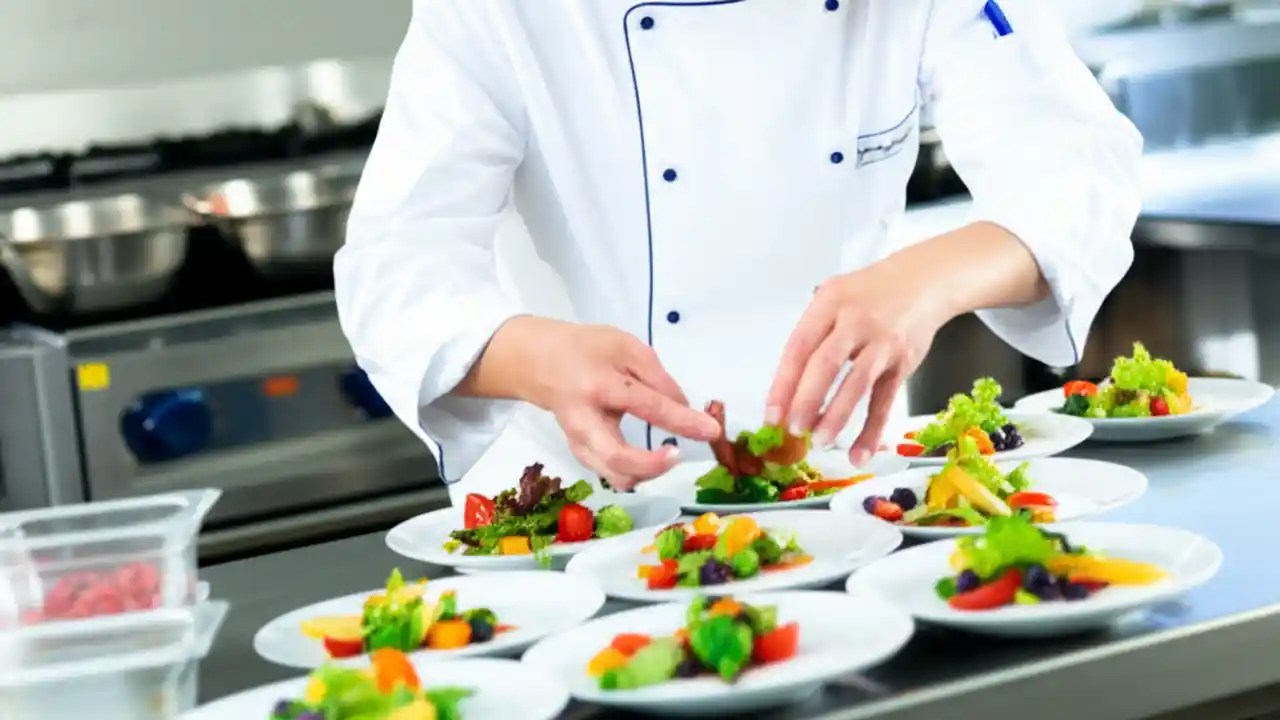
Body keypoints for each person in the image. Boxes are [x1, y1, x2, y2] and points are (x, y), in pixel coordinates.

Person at [335, 0, 1141, 503]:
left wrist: (926, 279)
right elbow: (396, 263)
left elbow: (1077, 174)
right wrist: (532, 356)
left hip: (841, 493)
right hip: (583, 518)